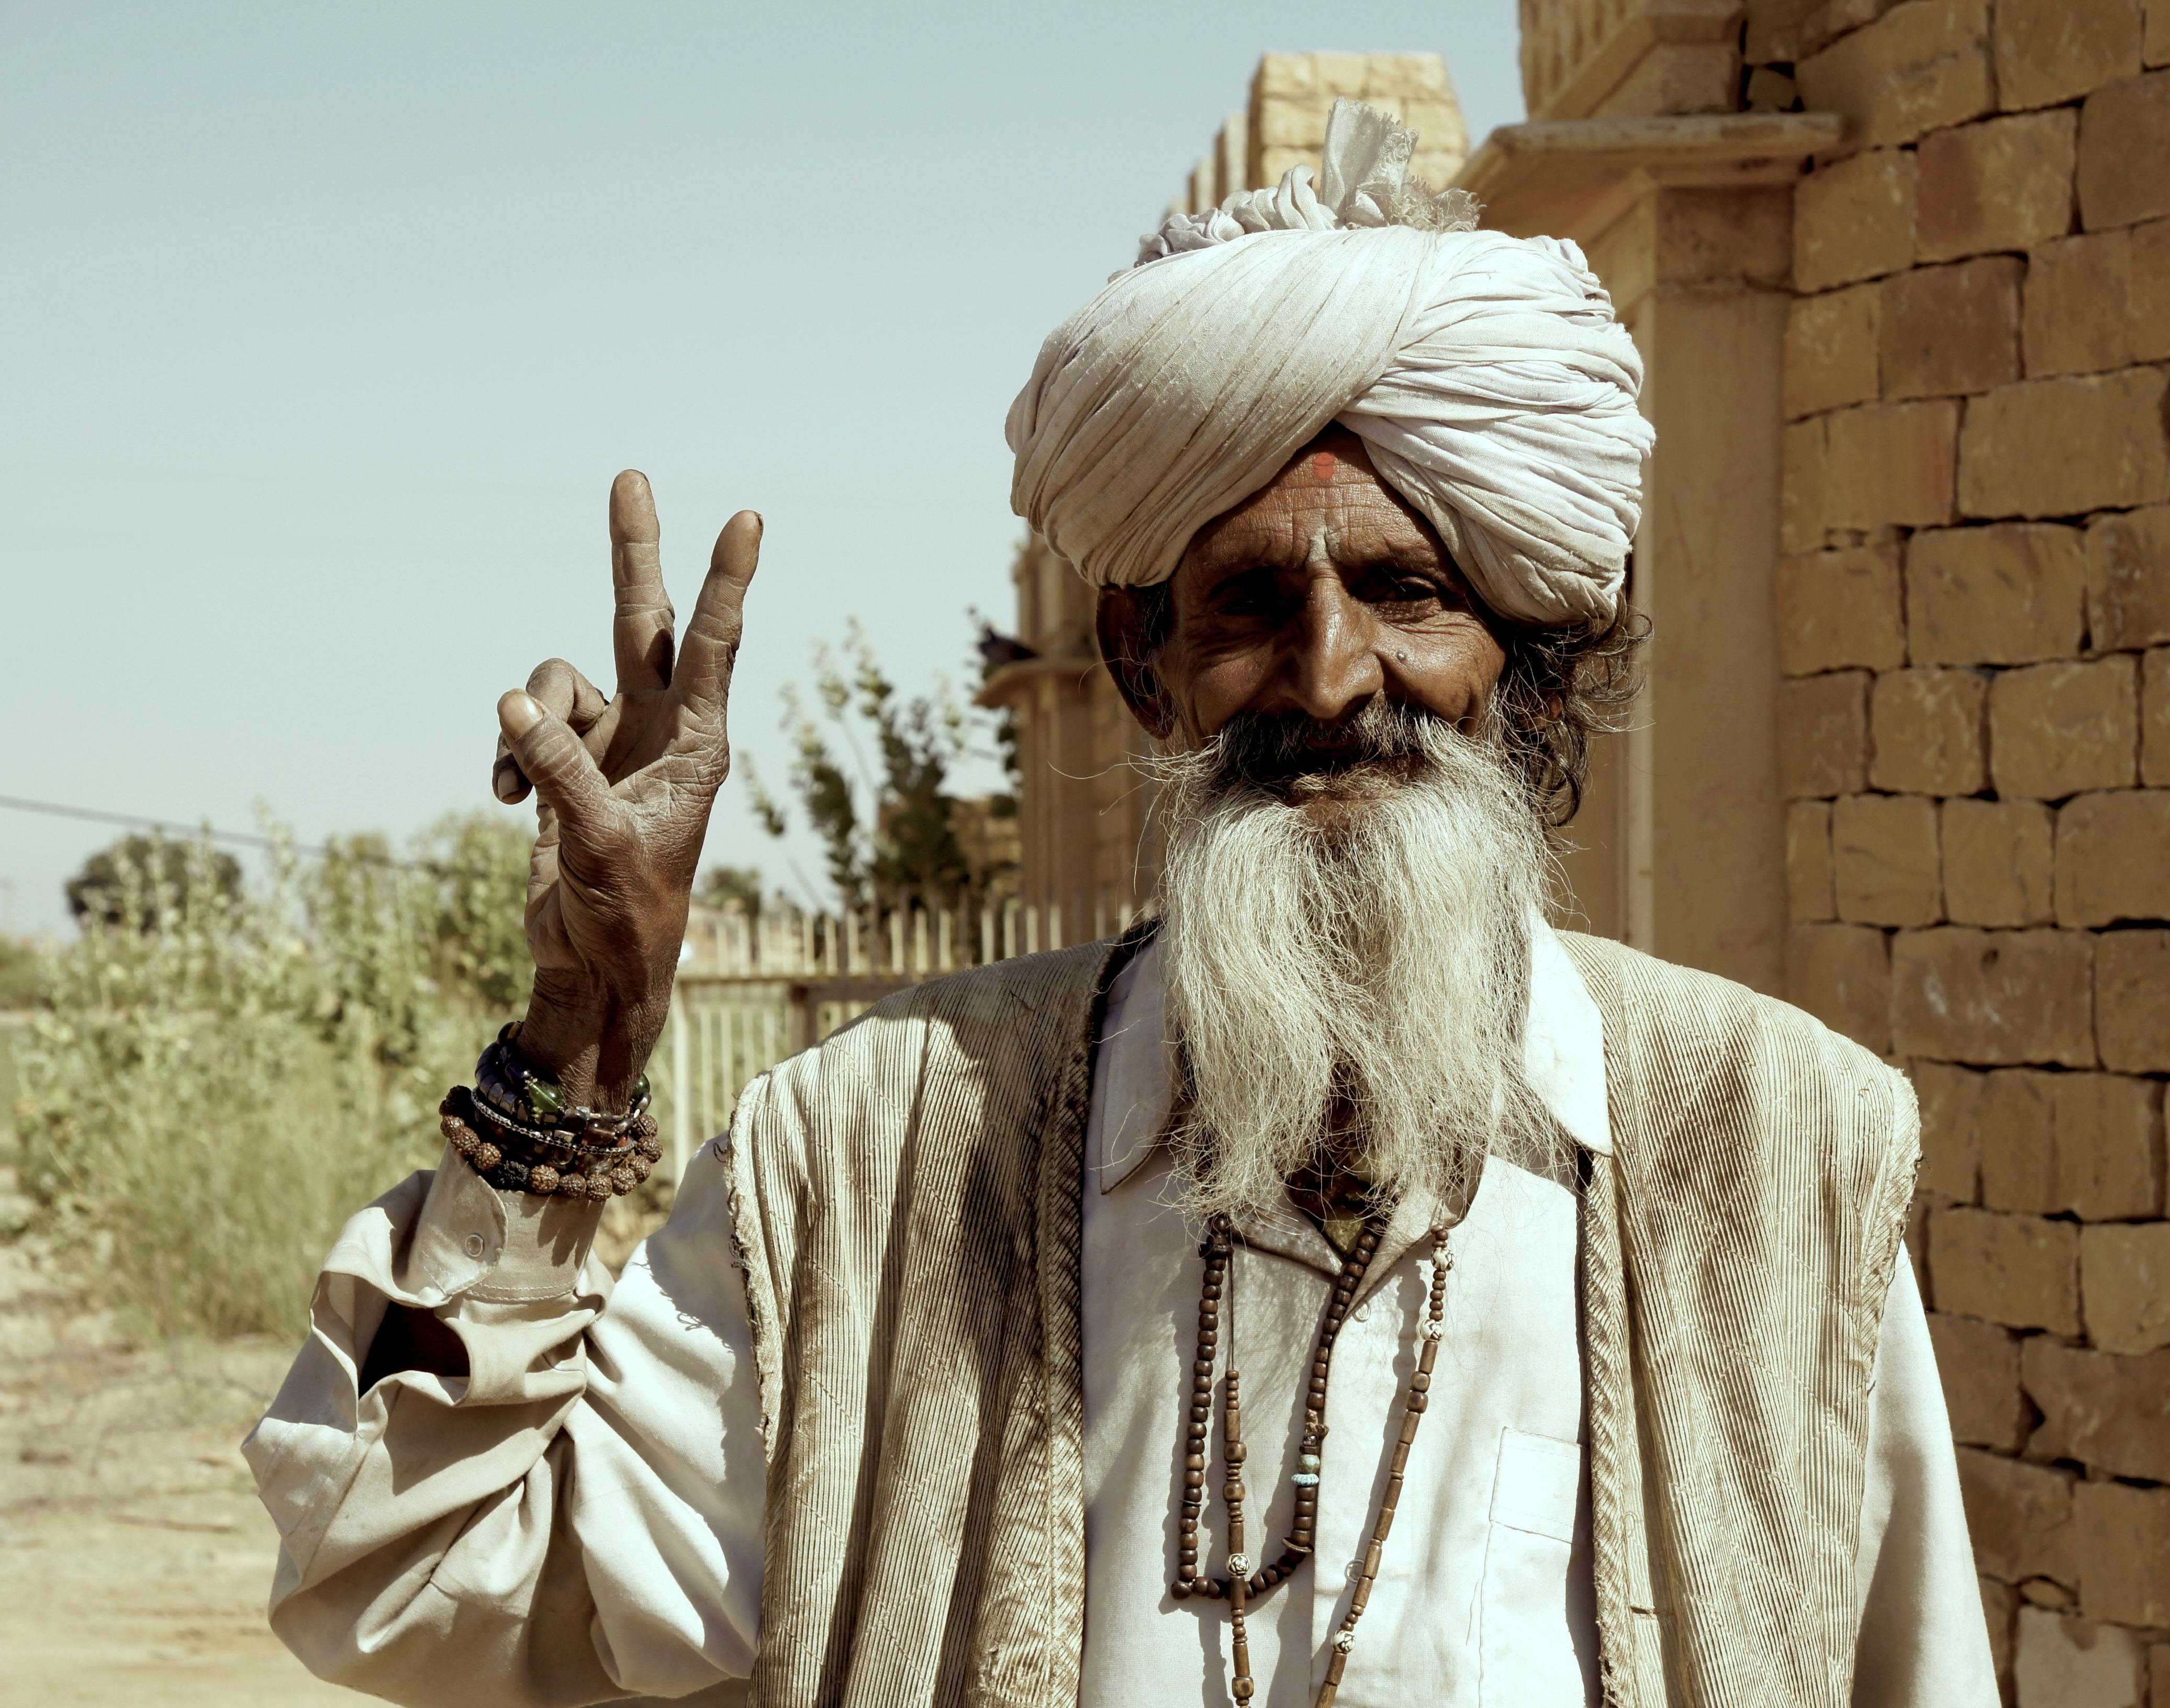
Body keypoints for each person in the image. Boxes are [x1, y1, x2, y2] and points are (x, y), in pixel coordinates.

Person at [247, 101, 1995, 1708]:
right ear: (1148, 673)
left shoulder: (1778, 1152)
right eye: (1247, 603)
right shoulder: (882, 1152)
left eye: (1405, 591)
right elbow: (413, 1583)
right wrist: (587, 1026)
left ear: (1527, 672)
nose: (1328, 677)